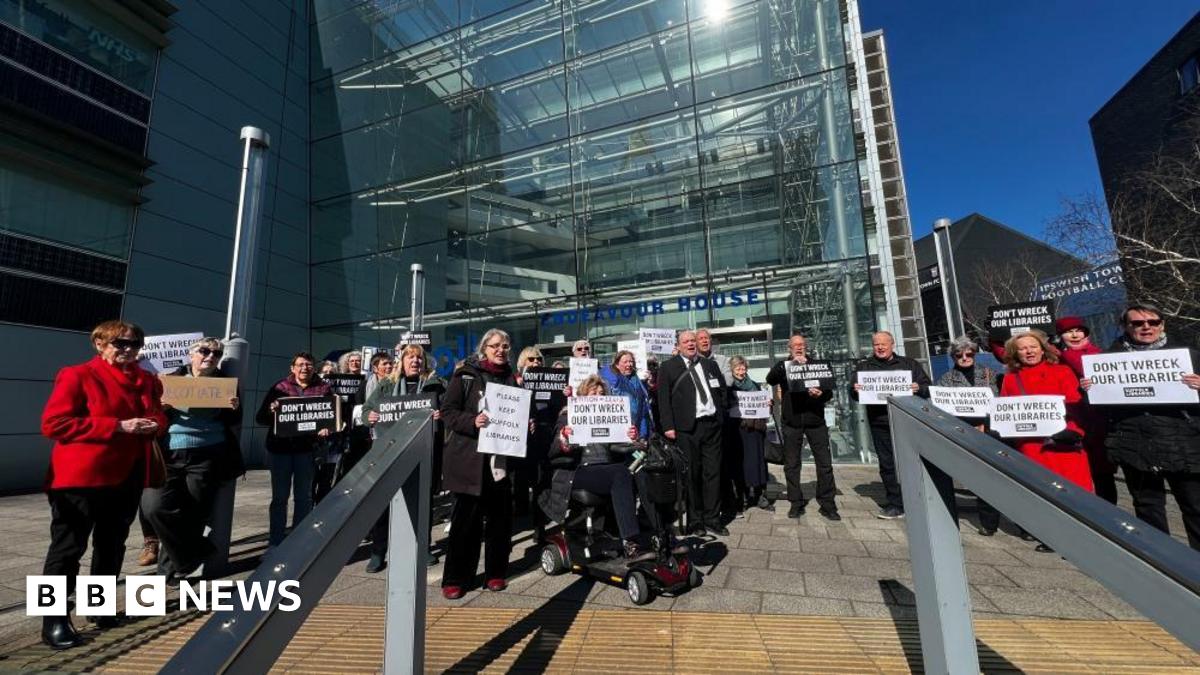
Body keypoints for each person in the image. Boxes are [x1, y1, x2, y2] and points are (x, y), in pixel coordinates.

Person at [39, 320, 167, 649]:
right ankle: (53, 619)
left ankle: (100, 606)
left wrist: (153, 423)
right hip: (80, 479)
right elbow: (54, 424)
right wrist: (119, 426)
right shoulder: (78, 375)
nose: (129, 349)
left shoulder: (148, 380)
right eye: (120, 343)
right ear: (99, 344)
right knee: (66, 550)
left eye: (136, 344)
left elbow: (159, 415)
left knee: (112, 545)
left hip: (127, 476)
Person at [1083, 303, 1200, 550]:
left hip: (1183, 441)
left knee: (1195, 505)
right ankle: (1162, 560)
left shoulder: (1188, 355)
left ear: (1162, 325)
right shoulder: (1107, 359)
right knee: (1147, 506)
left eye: (1152, 322)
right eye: (1137, 323)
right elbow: (1099, 407)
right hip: (1134, 443)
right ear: (1125, 327)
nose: (1146, 327)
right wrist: (1090, 390)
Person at [143, 337, 243, 580]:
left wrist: (234, 408)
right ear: (191, 355)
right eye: (205, 351)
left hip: (207, 453)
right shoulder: (170, 380)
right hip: (170, 452)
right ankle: (199, 550)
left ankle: (171, 571)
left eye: (217, 354)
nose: (210, 356)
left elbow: (234, 421)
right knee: (154, 508)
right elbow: (149, 413)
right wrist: (161, 407)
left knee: (193, 513)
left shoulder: (225, 385)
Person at [439, 329, 519, 599]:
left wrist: (525, 424)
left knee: (499, 524)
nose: (501, 350)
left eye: (505, 346)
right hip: (469, 461)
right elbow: (448, 413)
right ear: (484, 348)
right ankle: (456, 579)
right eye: (495, 346)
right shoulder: (465, 375)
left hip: (499, 463)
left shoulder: (511, 378)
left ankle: (496, 573)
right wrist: (472, 422)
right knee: (465, 525)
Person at [546, 375, 654, 561]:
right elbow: (554, 450)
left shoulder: (610, 416)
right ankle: (630, 541)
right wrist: (565, 437)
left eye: (601, 393)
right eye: (593, 393)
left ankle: (658, 531)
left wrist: (631, 436)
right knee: (620, 473)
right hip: (578, 470)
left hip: (606, 469)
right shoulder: (569, 415)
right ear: (582, 395)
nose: (598, 396)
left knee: (641, 471)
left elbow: (619, 444)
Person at [362, 345, 446, 572]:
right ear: (403, 360)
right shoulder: (387, 384)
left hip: (423, 451)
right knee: (383, 503)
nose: (415, 361)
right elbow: (368, 408)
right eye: (410, 357)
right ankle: (378, 551)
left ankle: (423, 547)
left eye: (419, 357)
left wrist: (442, 414)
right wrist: (367, 416)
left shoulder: (436, 385)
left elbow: (450, 408)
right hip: (391, 451)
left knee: (422, 502)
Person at [255, 352, 334, 547]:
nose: (304, 368)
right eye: (300, 365)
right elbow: (261, 419)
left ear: (314, 367)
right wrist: (271, 411)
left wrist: (327, 428)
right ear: (292, 368)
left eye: (308, 364)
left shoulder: (323, 389)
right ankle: (275, 542)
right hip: (280, 450)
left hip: (307, 450)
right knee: (279, 498)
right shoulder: (279, 388)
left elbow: (331, 418)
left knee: (304, 497)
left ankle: (299, 541)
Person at [851, 331, 931, 519]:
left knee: (911, 461)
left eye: (883, 344)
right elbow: (853, 394)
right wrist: (856, 390)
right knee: (887, 463)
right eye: (876, 344)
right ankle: (895, 503)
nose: (880, 347)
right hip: (880, 422)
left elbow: (928, 387)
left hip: (906, 420)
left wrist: (918, 388)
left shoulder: (909, 364)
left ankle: (917, 499)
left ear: (892, 344)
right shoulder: (864, 367)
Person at [657, 329, 729, 536]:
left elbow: (721, 390)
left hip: (712, 426)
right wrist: (668, 426)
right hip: (687, 429)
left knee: (713, 473)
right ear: (678, 346)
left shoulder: (709, 364)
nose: (690, 344)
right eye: (685, 341)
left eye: (692, 341)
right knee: (692, 475)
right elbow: (663, 400)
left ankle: (712, 519)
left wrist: (720, 414)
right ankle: (695, 521)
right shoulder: (668, 367)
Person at [766, 335, 838, 520]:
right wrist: (787, 364)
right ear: (789, 348)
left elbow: (829, 392)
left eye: (801, 345)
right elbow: (770, 378)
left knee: (824, 464)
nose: (799, 348)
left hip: (816, 422)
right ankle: (796, 503)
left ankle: (828, 504)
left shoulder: (817, 366)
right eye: (795, 345)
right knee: (791, 465)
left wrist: (820, 395)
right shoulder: (784, 367)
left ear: (806, 347)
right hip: (792, 422)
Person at [936, 337, 1001, 535]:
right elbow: (943, 406)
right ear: (953, 357)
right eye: (959, 355)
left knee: (991, 476)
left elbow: (997, 401)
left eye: (969, 354)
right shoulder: (947, 379)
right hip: (963, 430)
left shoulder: (990, 374)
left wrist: (984, 423)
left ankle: (992, 521)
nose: (964, 358)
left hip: (988, 430)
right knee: (975, 475)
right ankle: (986, 521)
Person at [1055, 316, 1117, 504]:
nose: (1074, 335)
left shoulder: (1100, 355)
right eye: (1068, 331)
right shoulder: (1056, 358)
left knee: (1103, 476)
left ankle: (1108, 517)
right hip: (1071, 421)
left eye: (1078, 330)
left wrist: (1062, 353)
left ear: (1086, 333)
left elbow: (1082, 365)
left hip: (1099, 423)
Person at [729, 356, 771, 513]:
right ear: (732, 370)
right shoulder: (729, 387)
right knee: (742, 464)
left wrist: (767, 403)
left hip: (755, 429)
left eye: (743, 368)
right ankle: (743, 496)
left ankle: (760, 495)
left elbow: (764, 404)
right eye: (738, 369)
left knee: (758, 462)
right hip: (739, 430)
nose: (741, 371)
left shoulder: (754, 384)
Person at [600, 350, 654, 439]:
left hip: (640, 426)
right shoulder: (611, 382)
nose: (629, 364)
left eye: (631, 361)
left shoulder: (637, 378)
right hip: (620, 428)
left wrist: (648, 382)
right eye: (625, 362)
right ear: (617, 364)